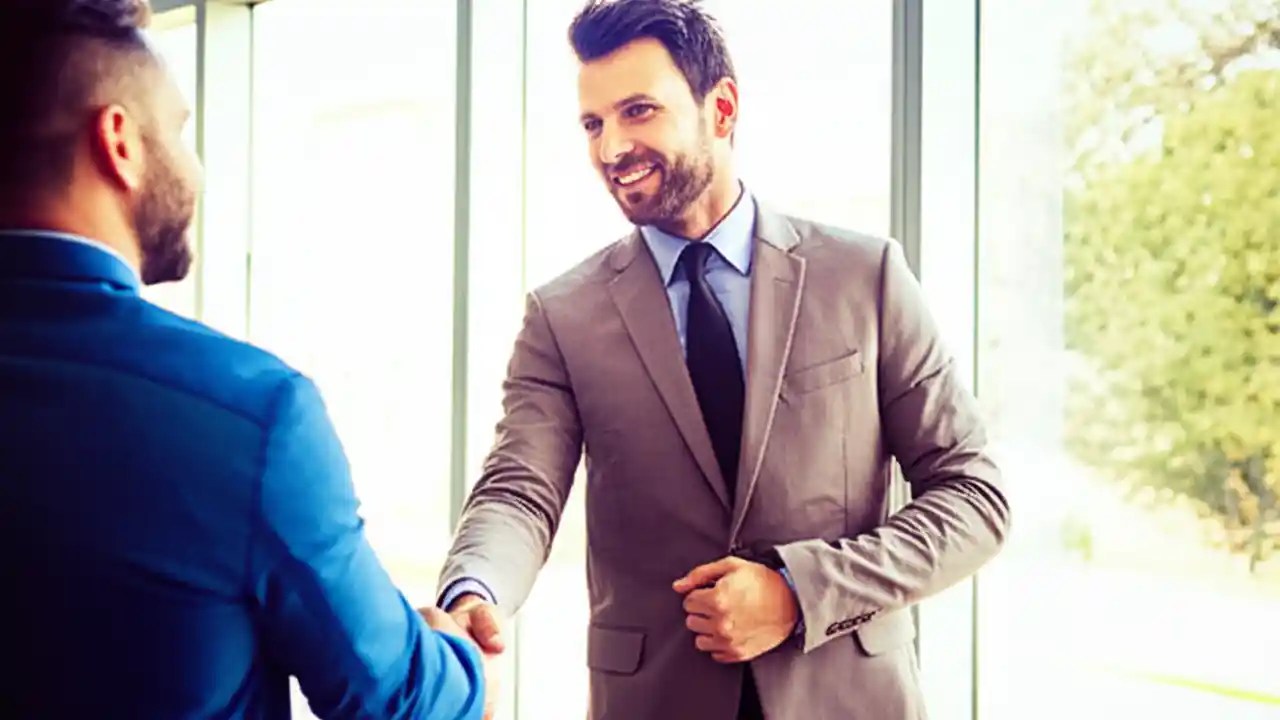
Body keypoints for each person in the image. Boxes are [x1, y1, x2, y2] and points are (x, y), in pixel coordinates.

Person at [437, 0, 1012, 718]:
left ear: (723, 108)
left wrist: (801, 590)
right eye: (593, 124)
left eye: (638, 111)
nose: (612, 148)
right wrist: (476, 590)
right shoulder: (562, 316)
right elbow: (518, 491)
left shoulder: (864, 278)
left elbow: (973, 497)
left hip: (849, 698)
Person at [0, 2, 487, 718]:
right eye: (178, 130)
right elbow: (399, 702)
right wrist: (456, 657)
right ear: (119, 142)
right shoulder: (250, 416)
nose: (193, 165)